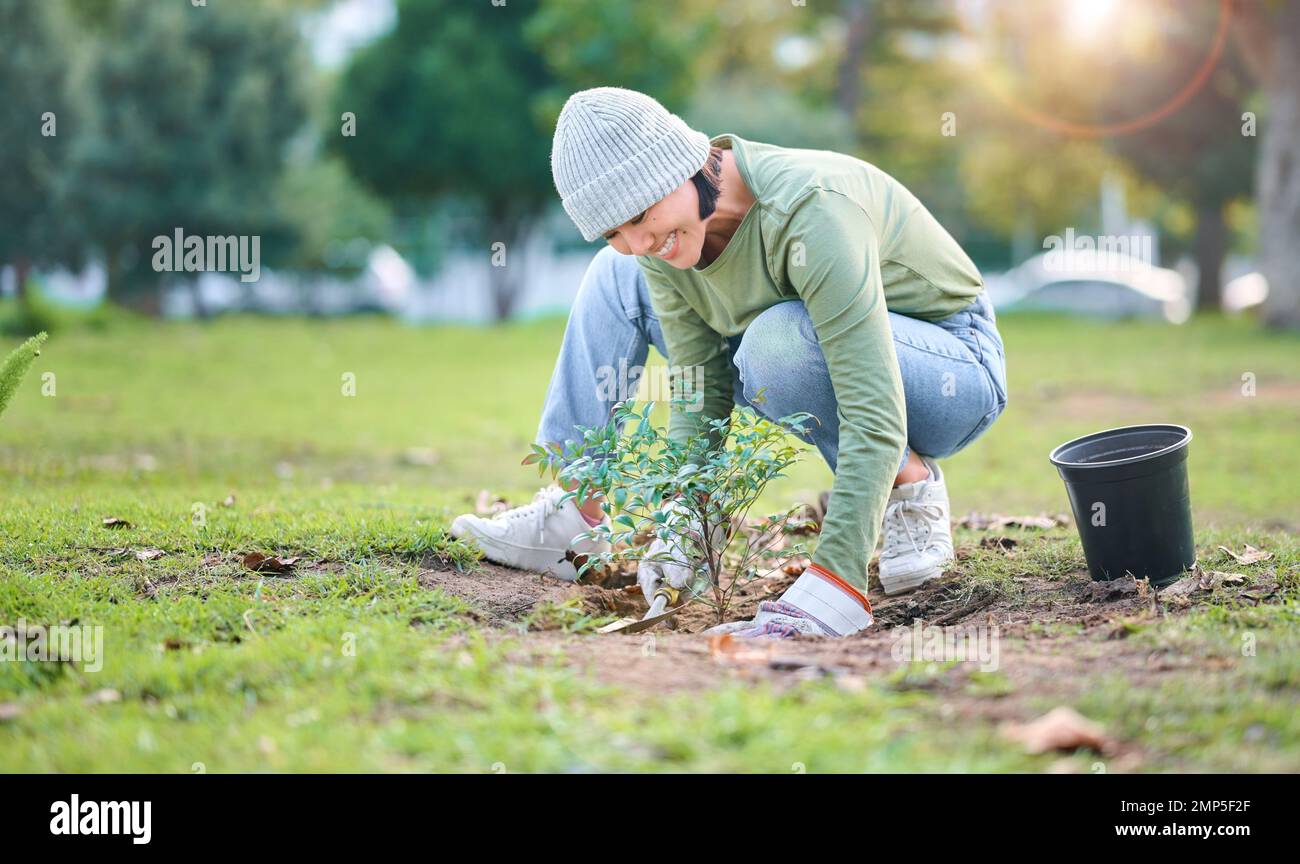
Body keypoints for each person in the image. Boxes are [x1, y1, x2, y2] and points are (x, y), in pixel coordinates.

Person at [451, 87, 1007, 639]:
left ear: (683, 166)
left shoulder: (810, 211)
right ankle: (575, 515)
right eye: (613, 230)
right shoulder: (662, 240)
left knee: (778, 341)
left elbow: (874, 410)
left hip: (951, 369)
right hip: (800, 345)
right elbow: (699, 378)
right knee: (613, 275)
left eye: (641, 215)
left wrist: (834, 586)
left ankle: (910, 486)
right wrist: (685, 519)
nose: (638, 242)